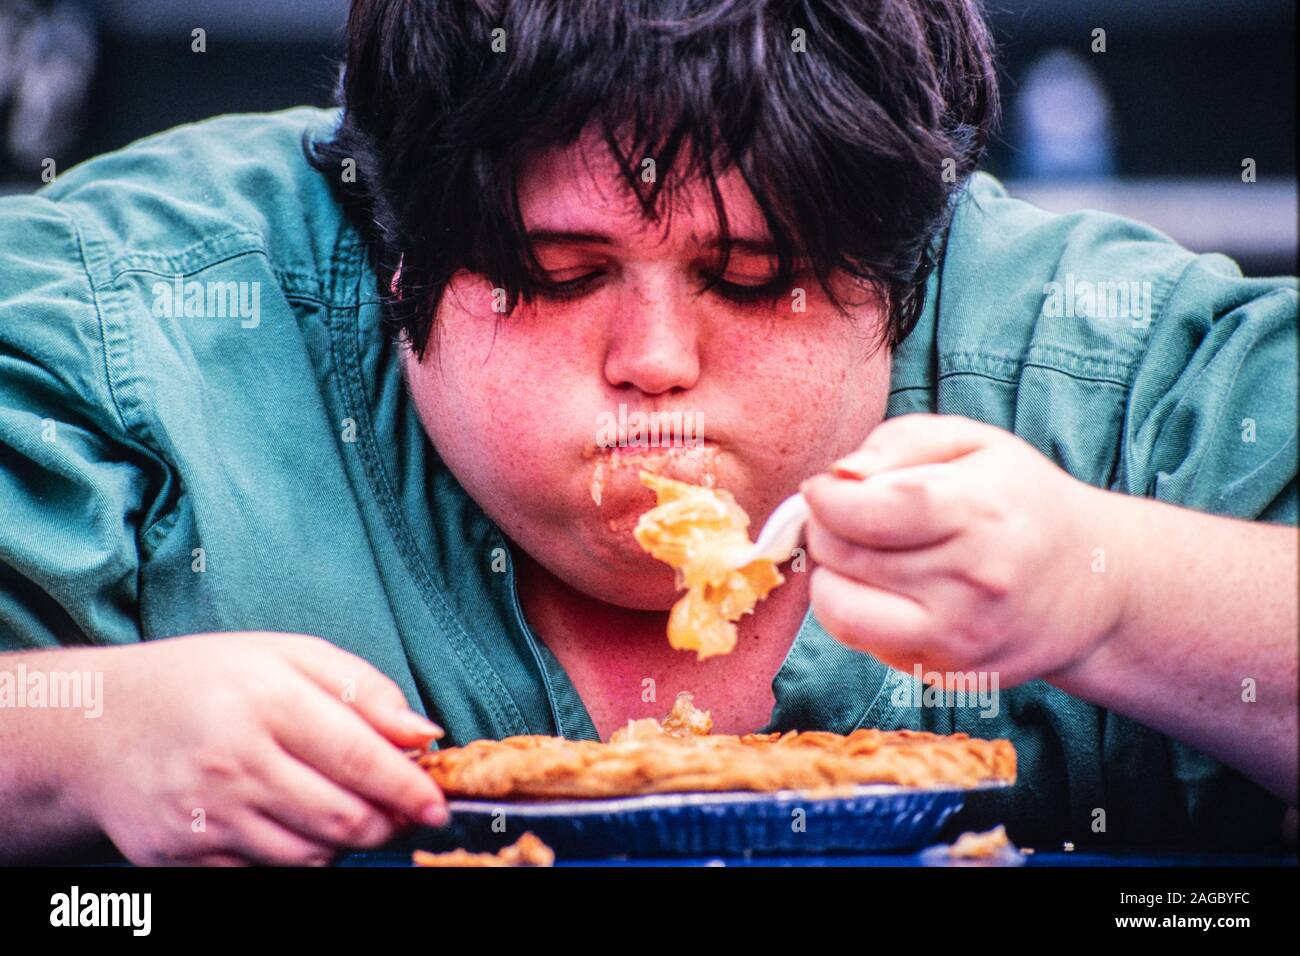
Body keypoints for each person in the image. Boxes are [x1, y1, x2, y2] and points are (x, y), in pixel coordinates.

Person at [0, 0, 1294, 865]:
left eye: (754, 278)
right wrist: (82, 738)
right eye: (552, 276)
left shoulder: (1101, 357)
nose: (656, 364)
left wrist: (1115, 590)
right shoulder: (125, 322)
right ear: (392, 252)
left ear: (907, 270)